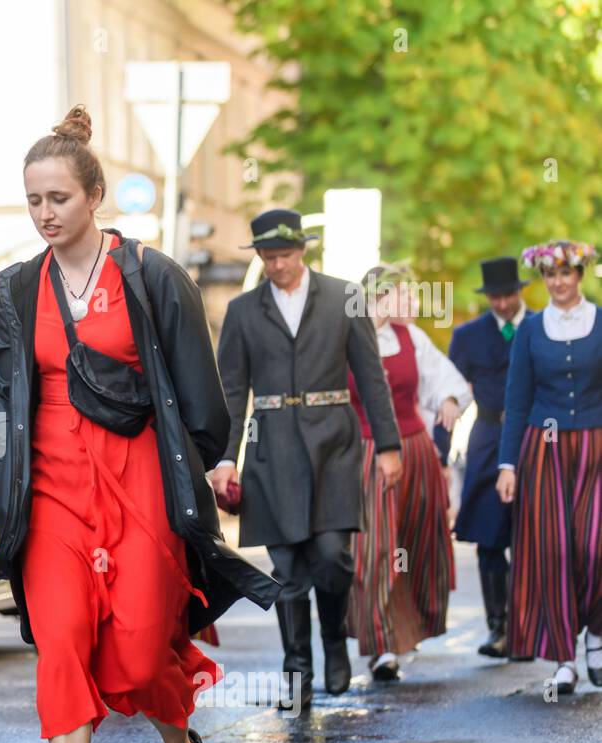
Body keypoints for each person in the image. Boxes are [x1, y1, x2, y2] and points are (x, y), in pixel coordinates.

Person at [0, 106, 278, 743]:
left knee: (144, 649)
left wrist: (212, 462)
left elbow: (197, 387)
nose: (46, 214)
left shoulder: (149, 273)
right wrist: (1, 471)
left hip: (138, 479)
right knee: (63, 642)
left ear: (94, 195)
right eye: (34, 201)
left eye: (60, 199)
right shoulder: (16, 289)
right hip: (51, 492)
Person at [213, 209, 402, 709]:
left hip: (334, 445)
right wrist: (224, 461)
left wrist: (388, 445)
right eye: (268, 257)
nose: (277, 265)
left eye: (285, 255)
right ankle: (297, 668)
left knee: (332, 556)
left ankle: (334, 642)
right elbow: (232, 392)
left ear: (303, 250)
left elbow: (371, 377)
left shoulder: (345, 298)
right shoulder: (243, 311)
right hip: (271, 450)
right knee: (287, 567)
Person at [346, 263, 472, 680]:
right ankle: (380, 644)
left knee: (414, 546)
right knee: (375, 548)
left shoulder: (411, 337)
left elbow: (445, 381)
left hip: (415, 449)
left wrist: (450, 399)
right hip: (366, 453)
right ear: (382, 297)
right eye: (406, 295)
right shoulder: (346, 336)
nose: (415, 304)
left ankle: (405, 631)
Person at [497, 239, 602, 693]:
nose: (558, 282)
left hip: (597, 447)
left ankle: (596, 635)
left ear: (580, 274)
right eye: (550, 275)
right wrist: (507, 464)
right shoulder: (531, 329)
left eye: (566, 273)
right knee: (555, 551)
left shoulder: (601, 320)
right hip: (545, 449)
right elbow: (516, 400)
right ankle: (564, 657)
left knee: (596, 549)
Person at [434, 257, 529, 658]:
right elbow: (450, 391)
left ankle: (529, 629)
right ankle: (499, 628)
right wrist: (440, 450)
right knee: (490, 537)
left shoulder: (540, 327)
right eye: (495, 297)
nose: (503, 303)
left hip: (535, 437)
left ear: (520, 291)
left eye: (509, 295)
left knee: (531, 537)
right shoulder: (468, 336)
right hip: (488, 438)